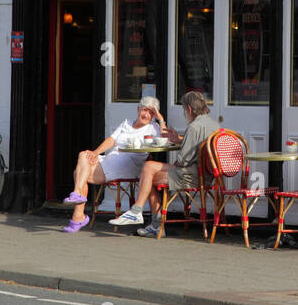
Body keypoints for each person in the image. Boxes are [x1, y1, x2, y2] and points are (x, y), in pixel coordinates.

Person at [111, 90, 219, 236]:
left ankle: (145, 217)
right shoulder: (213, 124)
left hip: (191, 176)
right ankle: (144, 216)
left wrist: (174, 163)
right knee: (148, 170)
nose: (183, 113)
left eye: (183, 109)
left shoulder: (194, 127)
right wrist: (180, 140)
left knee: (147, 174)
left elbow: (183, 160)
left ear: (188, 109)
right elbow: (200, 144)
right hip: (207, 174)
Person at [60, 96, 162, 233]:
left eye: (151, 112)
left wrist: (160, 119)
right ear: (138, 109)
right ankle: (77, 200)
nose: (146, 114)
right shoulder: (127, 123)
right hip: (111, 159)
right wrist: (95, 153)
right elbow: (111, 140)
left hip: (129, 165)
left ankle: (78, 212)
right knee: (83, 155)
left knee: (79, 174)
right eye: (144, 110)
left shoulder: (153, 128)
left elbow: (166, 137)